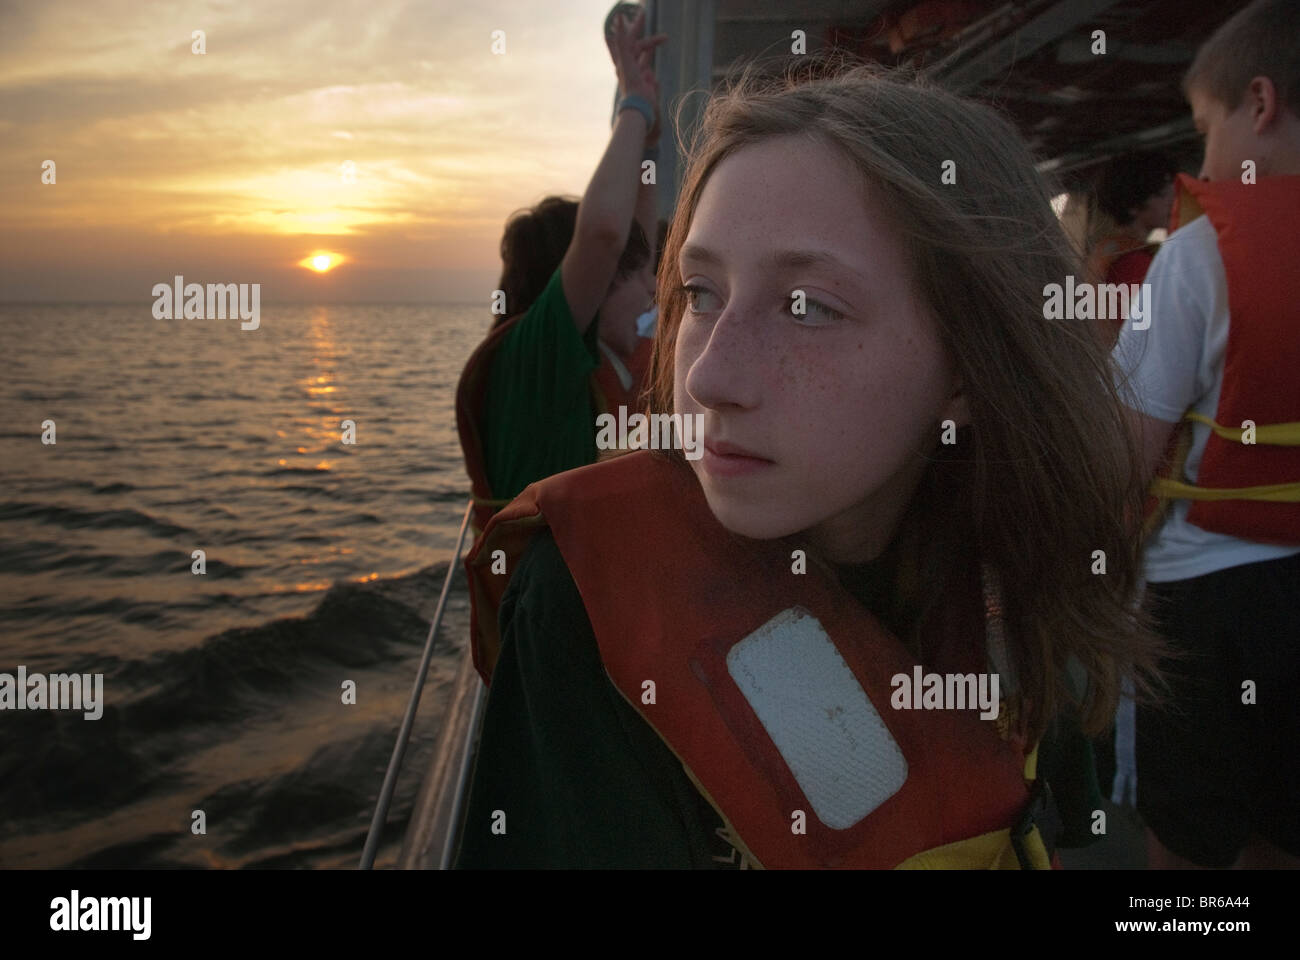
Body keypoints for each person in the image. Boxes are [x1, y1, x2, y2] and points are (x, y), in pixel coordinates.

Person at [453, 54, 1162, 870]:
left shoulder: (1017, 572)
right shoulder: (582, 603)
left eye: (807, 306)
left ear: (971, 369)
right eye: (701, 292)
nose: (710, 375)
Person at [1112, 0, 1300, 870]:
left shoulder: (1194, 258)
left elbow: (1126, 447)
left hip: (1208, 597)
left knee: (1188, 836)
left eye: (1205, 128)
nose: (1204, 160)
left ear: (1259, 104)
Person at [456, 8, 666, 533]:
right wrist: (633, 106)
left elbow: (629, 241)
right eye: (639, 278)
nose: (654, 289)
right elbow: (605, 236)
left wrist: (651, 138)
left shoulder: (596, 358)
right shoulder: (537, 358)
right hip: (546, 611)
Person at [1086, 151, 1178, 346]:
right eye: (1161, 194)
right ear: (1133, 205)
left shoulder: (1105, 253)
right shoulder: (1133, 263)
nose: (1172, 202)